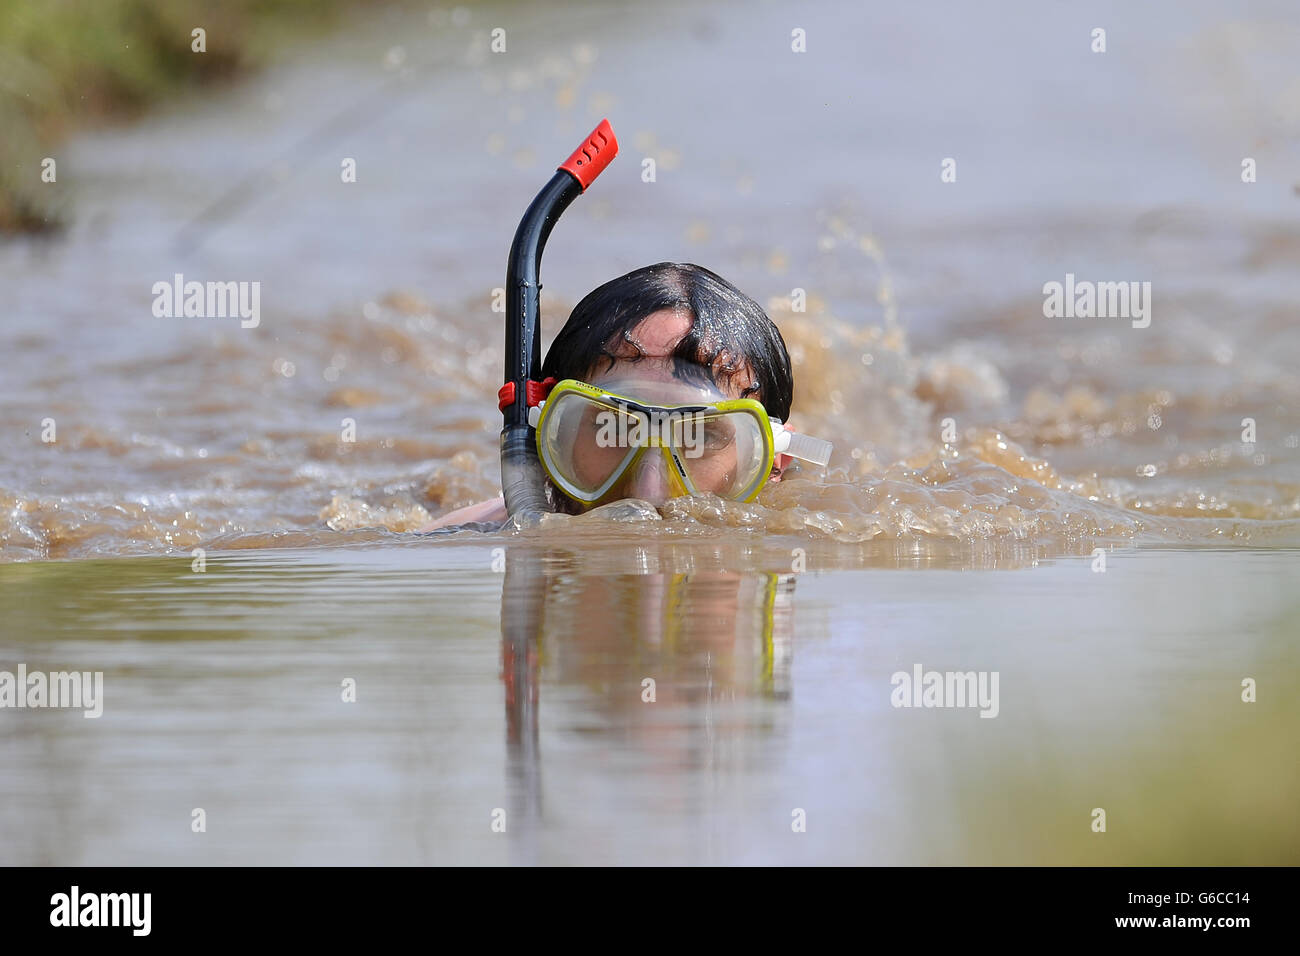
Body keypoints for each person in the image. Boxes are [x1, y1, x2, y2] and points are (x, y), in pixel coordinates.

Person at [419, 262, 828, 531]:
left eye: (700, 437)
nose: (647, 492)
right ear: (547, 438)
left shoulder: (822, 534)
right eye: (608, 428)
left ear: (774, 461)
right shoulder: (464, 536)